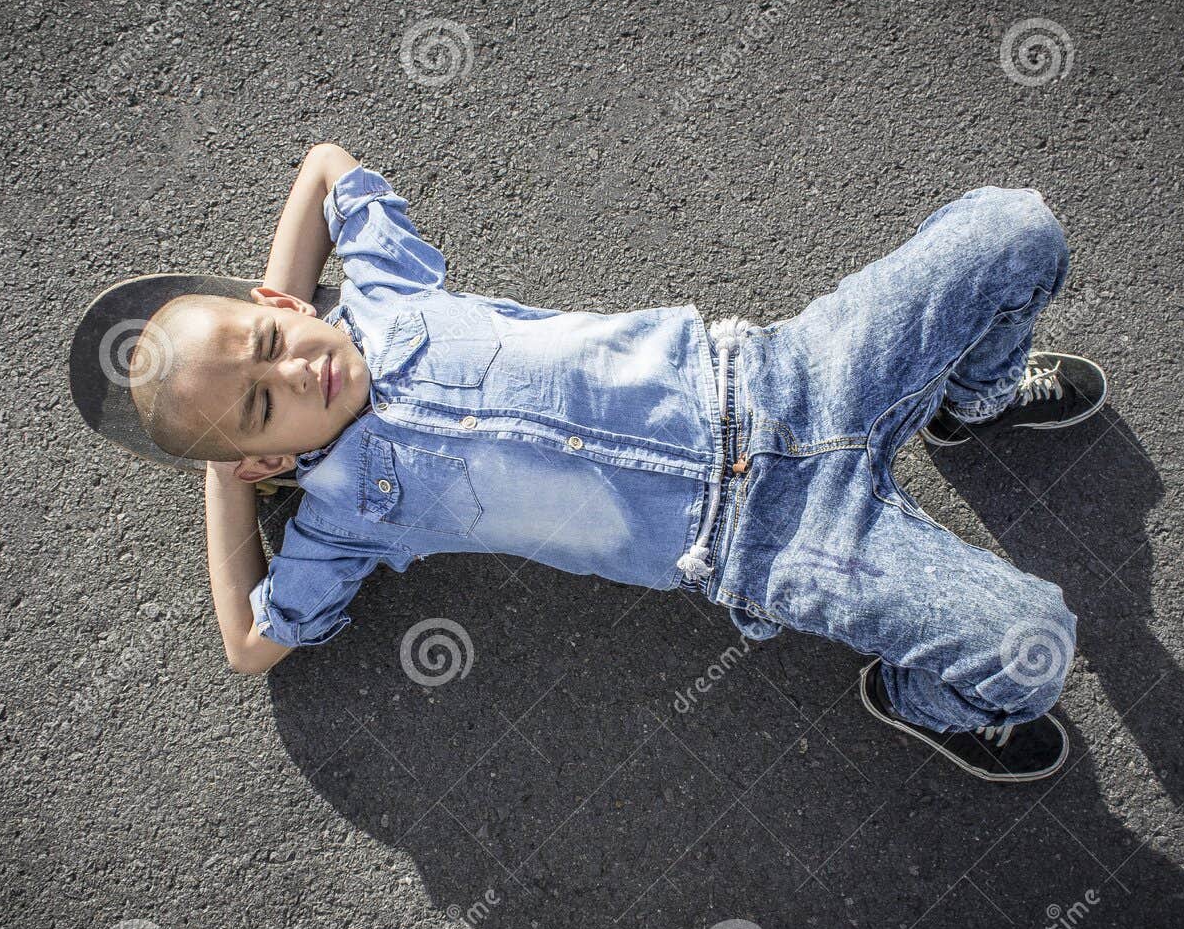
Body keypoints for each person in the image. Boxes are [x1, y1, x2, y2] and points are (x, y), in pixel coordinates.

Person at [124, 143, 1105, 784]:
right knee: (1032, 649)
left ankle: (965, 405)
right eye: (263, 403)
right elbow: (251, 641)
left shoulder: (379, 291)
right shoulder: (344, 513)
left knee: (1014, 226)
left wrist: (274, 319)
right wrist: (225, 477)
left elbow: (325, 168)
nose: (293, 366)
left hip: (785, 372)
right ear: (267, 461)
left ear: (281, 306)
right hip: (772, 542)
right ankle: (918, 699)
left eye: (268, 336)